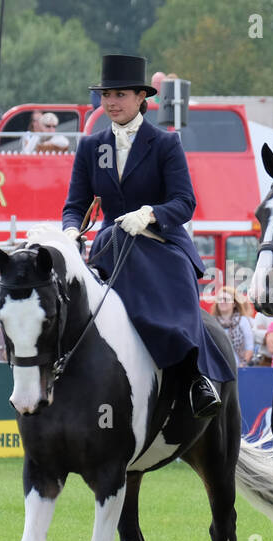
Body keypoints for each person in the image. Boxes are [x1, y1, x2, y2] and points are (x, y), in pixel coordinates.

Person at [61, 54, 233, 418]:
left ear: (142, 97)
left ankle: (193, 377)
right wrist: (71, 232)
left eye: (120, 95)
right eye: (106, 95)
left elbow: (185, 202)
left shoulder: (165, 143)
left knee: (181, 291)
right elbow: (74, 205)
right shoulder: (91, 147)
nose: (111, 102)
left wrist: (151, 213)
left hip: (160, 242)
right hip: (111, 244)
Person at [212, 286, 254, 366]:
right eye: (220, 299)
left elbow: (249, 348)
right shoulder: (212, 322)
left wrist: (242, 366)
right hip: (217, 369)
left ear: (234, 303)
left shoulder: (243, 321)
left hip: (238, 368)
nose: (222, 301)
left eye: (226, 299)